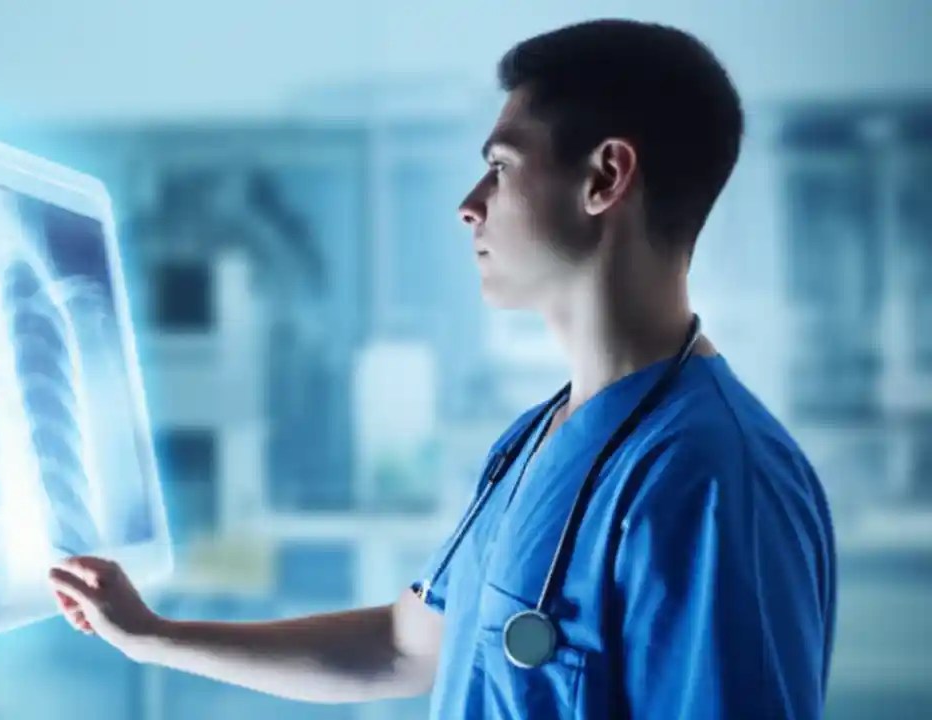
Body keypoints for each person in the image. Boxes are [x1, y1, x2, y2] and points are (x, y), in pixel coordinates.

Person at [48, 19, 836, 719]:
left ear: (604, 177)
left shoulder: (713, 476)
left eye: (500, 165)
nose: (470, 203)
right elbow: (402, 646)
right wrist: (152, 636)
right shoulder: (533, 441)